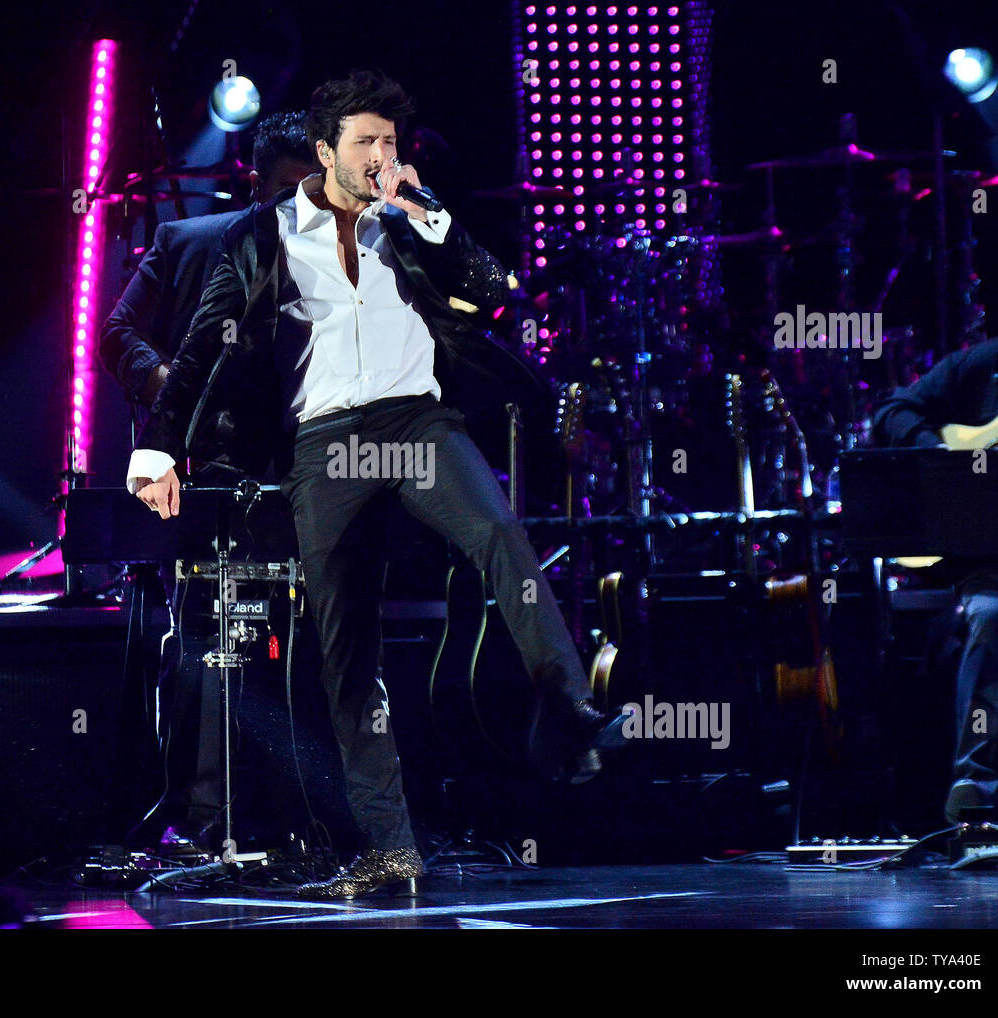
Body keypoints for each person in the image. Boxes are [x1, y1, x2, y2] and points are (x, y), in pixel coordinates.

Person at [128, 70, 625, 898]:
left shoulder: (414, 226)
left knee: (499, 534)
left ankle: (570, 707)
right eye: (365, 142)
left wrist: (429, 218)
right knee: (345, 646)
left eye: (390, 142)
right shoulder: (264, 234)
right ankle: (392, 851)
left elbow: (499, 291)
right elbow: (204, 351)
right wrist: (157, 449)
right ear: (326, 152)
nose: (380, 156)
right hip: (323, 443)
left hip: (418, 425)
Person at [98, 111, 317, 857]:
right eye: (288, 192)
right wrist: (173, 394)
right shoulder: (189, 241)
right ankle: (199, 821)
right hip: (200, 483)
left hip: (293, 480)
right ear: (257, 184)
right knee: (204, 644)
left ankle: (295, 820)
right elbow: (117, 334)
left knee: (294, 651)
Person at [872, 261, 998, 824]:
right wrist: (943, 457)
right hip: (989, 571)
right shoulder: (980, 365)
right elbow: (894, 410)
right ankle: (978, 792)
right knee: (990, 617)